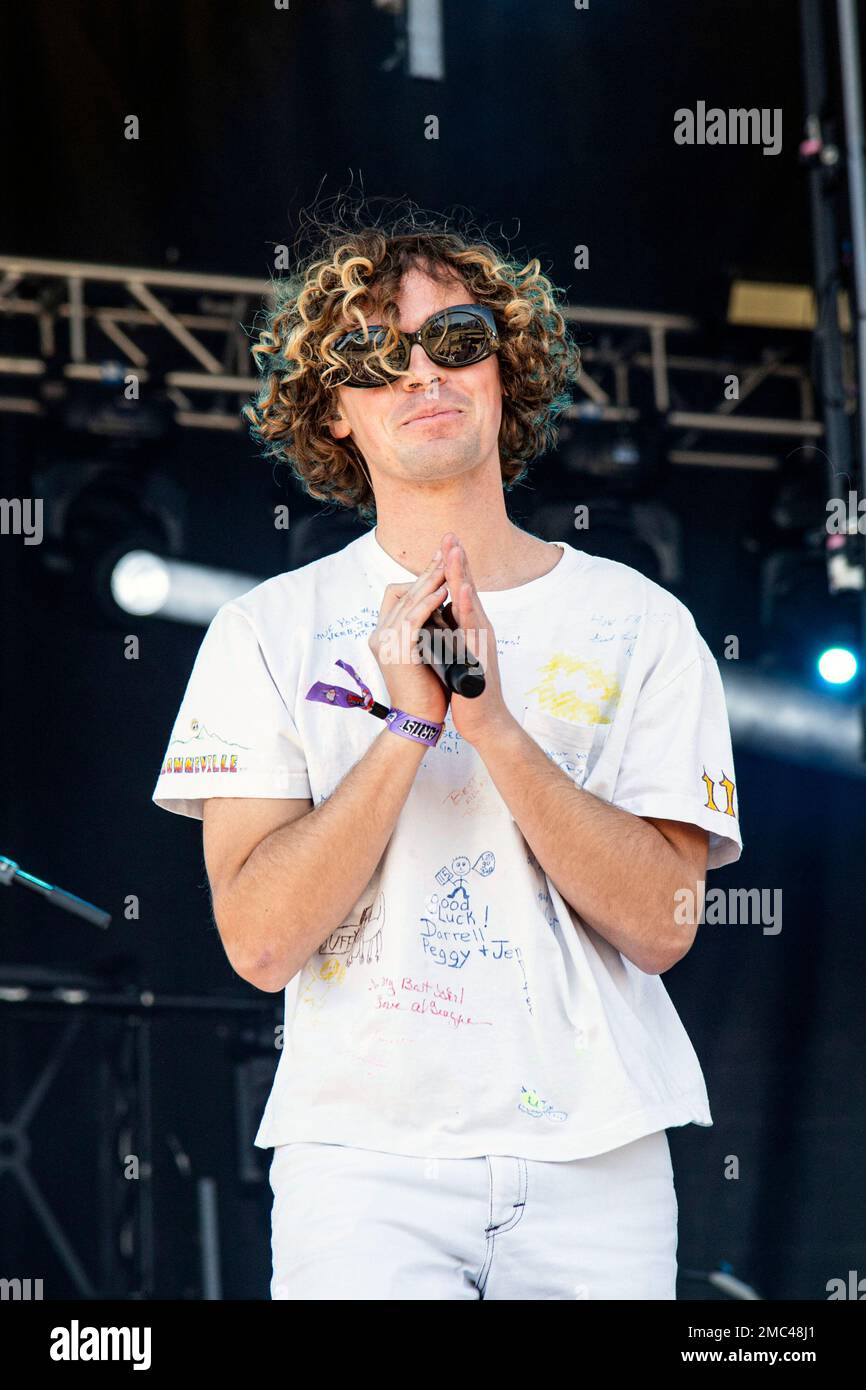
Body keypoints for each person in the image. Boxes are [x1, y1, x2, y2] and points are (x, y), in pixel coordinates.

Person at [152, 211, 743, 1301]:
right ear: (333, 410)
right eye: (374, 355)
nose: (421, 372)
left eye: (455, 339)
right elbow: (261, 943)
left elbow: (664, 927)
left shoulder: (642, 622)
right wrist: (406, 727)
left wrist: (493, 727)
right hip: (361, 1165)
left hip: (597, 1158)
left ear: (504, 369)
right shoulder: (264, 631)